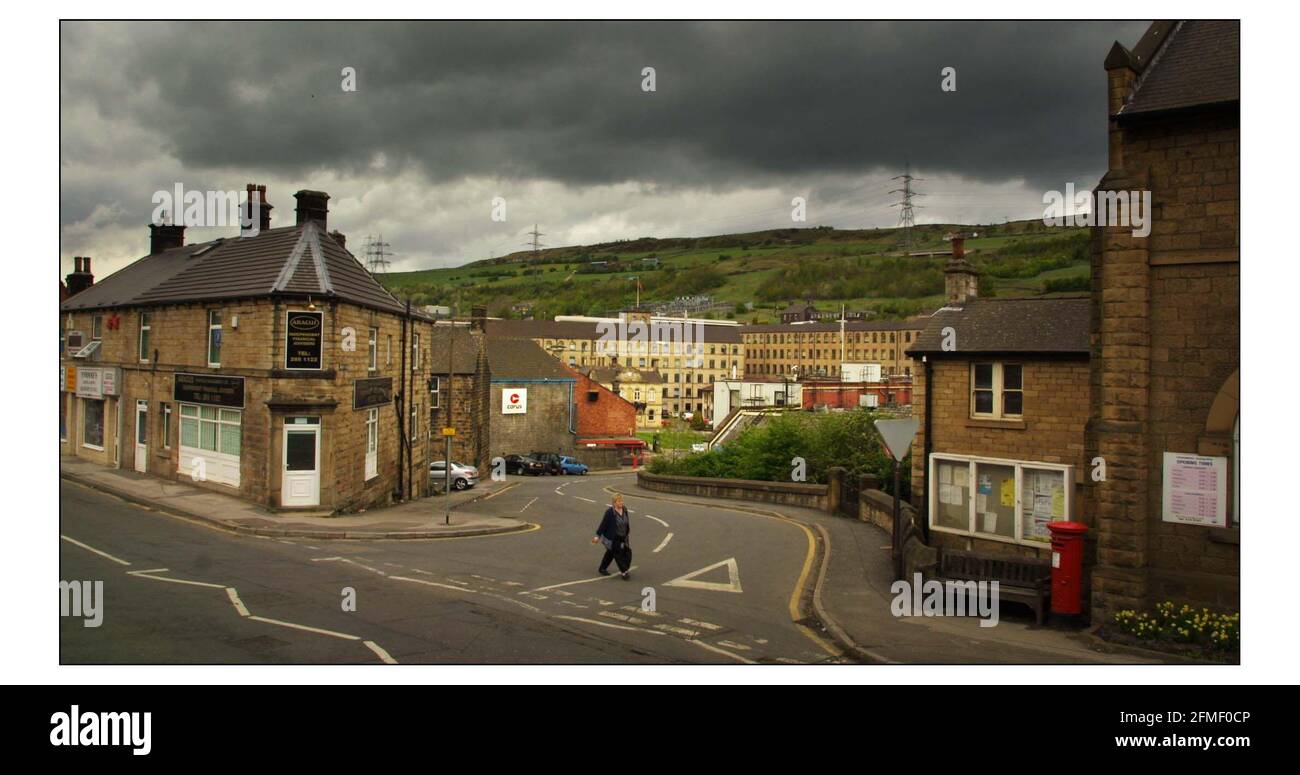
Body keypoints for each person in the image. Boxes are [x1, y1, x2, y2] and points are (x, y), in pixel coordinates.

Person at [592, 494, 632, 579]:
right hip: (613, 538)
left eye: (622, 501)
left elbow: (626, 522)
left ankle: (602, 568)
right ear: (614, 503)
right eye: (619, 501)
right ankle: (624, 572)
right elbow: (603, 524)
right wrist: (597, 536)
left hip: (623, 537)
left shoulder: (624, 510)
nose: (621, 502)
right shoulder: (610, 512)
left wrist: (626, 533)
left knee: (615, 553)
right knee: (618, 555)